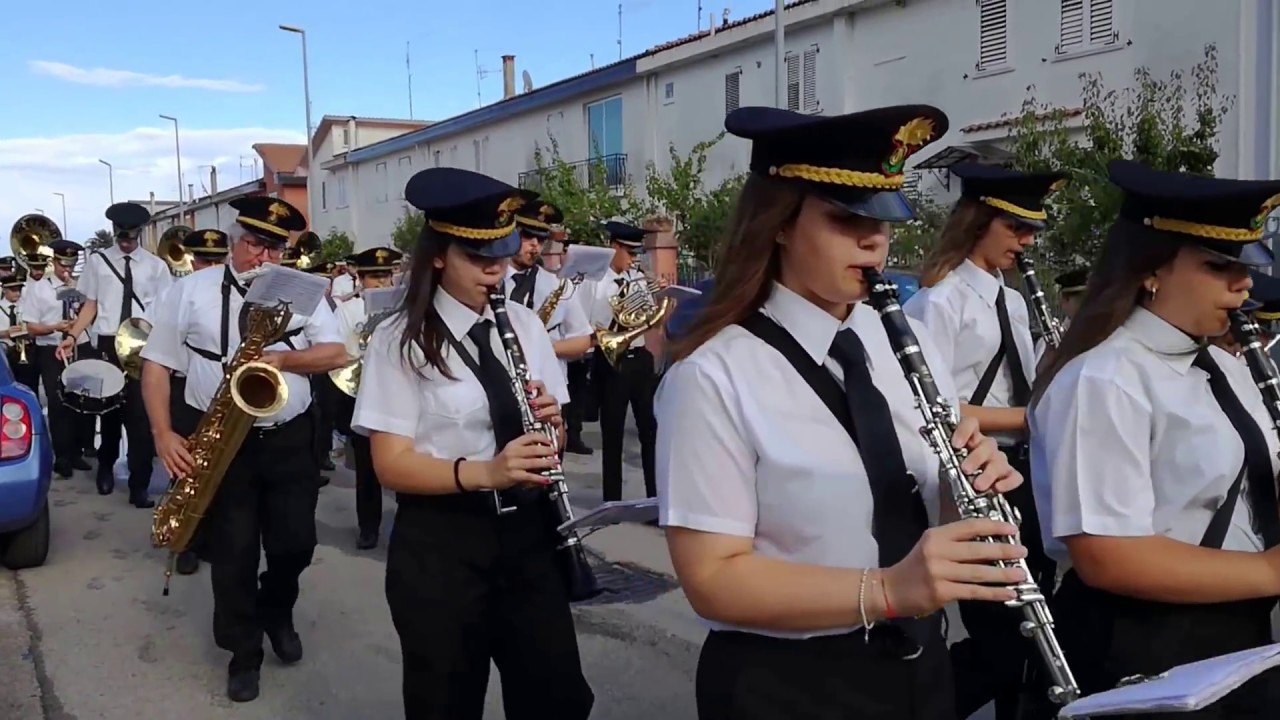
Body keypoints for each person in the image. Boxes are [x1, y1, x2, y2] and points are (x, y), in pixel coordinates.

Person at [657, 104, 1028, 720]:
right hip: (791, 685)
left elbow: (912, 511)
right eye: (844, 218)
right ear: (778, 224)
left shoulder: (903, 341)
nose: (874, 241)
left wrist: (967, 490)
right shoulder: (712, 374)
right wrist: (886, 590)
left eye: (883, 221)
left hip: (920, 664)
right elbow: (712, 579)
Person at [1030, 160, 1280, 719]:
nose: (1243, 284)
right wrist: (1270, 569)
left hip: (1234, 623)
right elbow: (1109, 556)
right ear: (1152, 271)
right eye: (1219, 265)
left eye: (1244, 266)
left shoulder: (1225, 364)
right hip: (1142, 637)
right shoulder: (1105, 378)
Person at [351, 167, 593, 720]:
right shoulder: (399, 340)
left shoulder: (527, 327)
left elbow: (549, 438)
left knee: (557, 698)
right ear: (439, 255)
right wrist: (486, 472)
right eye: (478, 258)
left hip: (528, 538)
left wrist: (550, 427)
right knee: (446, 702)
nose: (496, 271)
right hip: (443, 545)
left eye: (502, 256)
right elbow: (390, 464)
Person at [139, 196, 347, 703]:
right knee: (232, 554)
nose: (262, 257)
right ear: (234, 241)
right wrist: (165, 435)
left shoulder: (306, 292)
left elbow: (338, 352)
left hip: (289, 436)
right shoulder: (189, 291)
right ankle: (243, 651)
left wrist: (282, 359)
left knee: (295, 543)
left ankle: (276, 609)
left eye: (274, 248)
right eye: (253, 244)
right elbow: (157, 367)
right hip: (222, 440)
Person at [902, 162, 1066, 720]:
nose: (1026, 243)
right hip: (978, 480)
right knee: (1002, 637)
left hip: (1028, 473)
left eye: (1031, 233)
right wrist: (1028, 416)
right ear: (979, 222)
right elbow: (934, 407)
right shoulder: (938, 303)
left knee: (1031, 634)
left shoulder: (1014, 301)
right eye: (1016, 229)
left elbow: (1025, 379)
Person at [57, 202, 171, 504]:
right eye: (121, 237)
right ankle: (105, 470)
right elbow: (91, 304)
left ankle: (139, 484)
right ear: (114, 232)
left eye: (131, 238)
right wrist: (72, 335)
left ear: (139, 233)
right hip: (107, 342)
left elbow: (165, 311)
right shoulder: (98, 262)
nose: (126, 243)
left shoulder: (156, 266)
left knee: (140, 418)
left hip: (142, 344)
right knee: (107, 413)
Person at [582, 220, 663, 501]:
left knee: (650, 432)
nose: (633, 259)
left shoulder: (636, 278)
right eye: (629, 252)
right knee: (613, 434)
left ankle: (655, 498)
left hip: (639, 358)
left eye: (636, 253)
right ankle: (613, 501)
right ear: (614, 247)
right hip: (612, 361)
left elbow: (651, 318)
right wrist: (619, 309)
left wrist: (657, 296)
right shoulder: (594, 284)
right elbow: (587, 325)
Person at [507, 201, 594, 455]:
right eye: (527, 236)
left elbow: (583, 339)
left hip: (548, 394)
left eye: (540, 238)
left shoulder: (558, 286)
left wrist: (542, 345)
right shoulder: (489, 280)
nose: (535, 245)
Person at [332, 245, 403, 549]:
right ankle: (368, 526)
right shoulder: (348, 311)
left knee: (406, 459)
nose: (381, 283)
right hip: (362, 389)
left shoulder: (403, 306)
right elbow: (342, 353)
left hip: (399, 388)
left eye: (386, 276)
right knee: (367, 465)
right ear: (359, 279)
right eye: (374, 277)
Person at [20, 240, 94, 477]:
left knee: (79, 401)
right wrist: (54, 327)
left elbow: (91, 313)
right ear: (54, 262)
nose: (67, 271)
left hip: (78, 347)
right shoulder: (38, 289)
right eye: (63, 265)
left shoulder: (79, 286)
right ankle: (61, 457)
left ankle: (77, 452)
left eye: (71, 265)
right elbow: (31, 326)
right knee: (58, 402)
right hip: (51, 350)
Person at [0, 271, 37, 391]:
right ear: (4, 290)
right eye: (13, 290)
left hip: (27, 349)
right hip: (6, 351)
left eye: (19, 290)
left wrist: (28, 331)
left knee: (31, 384)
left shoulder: (27, 305)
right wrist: (6, 333)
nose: (17, 293)